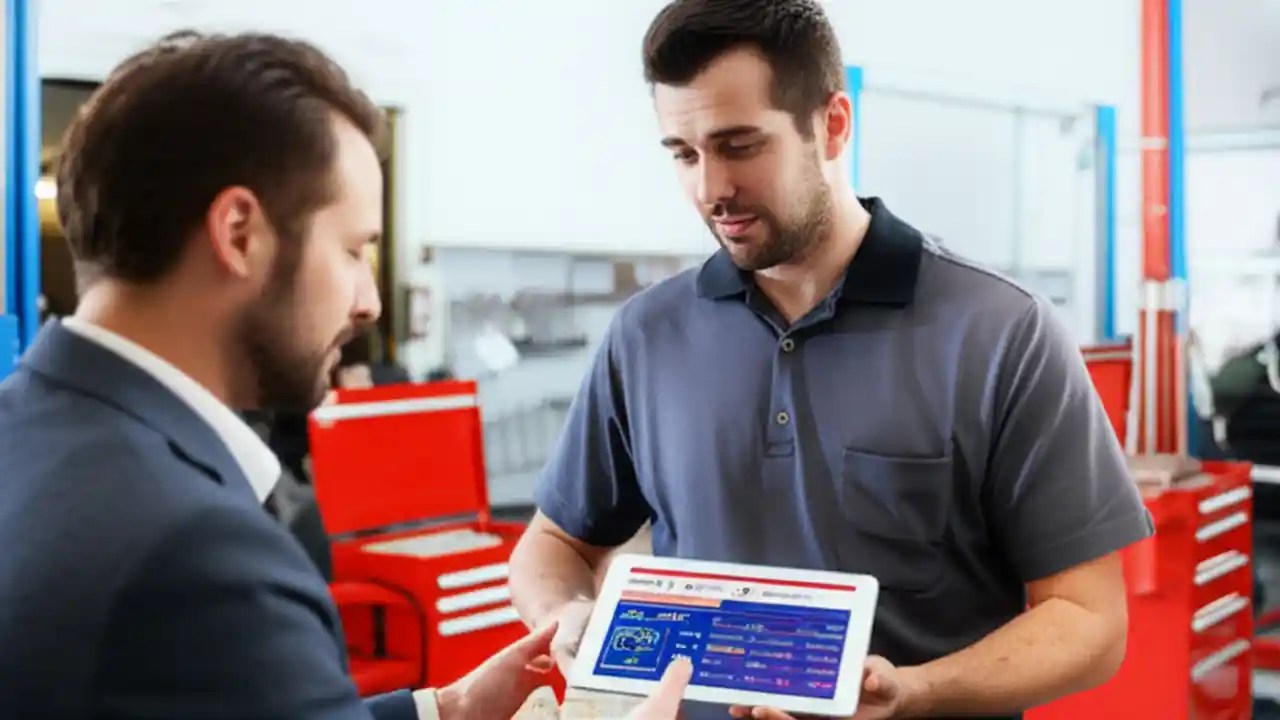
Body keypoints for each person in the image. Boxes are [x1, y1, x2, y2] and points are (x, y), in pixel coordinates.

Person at [0, 31, 691, 720]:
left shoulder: (25, 437)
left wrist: (441, 709)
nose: (370, 301)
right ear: (239, 233)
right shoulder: (201, 554)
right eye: (354, 250)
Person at [507, 2, 1155, 719]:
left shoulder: (1002, 332)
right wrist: (563, 611)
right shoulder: (647, 335)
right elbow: (555, 542)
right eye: (684, 154)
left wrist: (911, 692)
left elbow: (1090, 622)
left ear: (833, 123)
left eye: (740, 145)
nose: (710, 189)